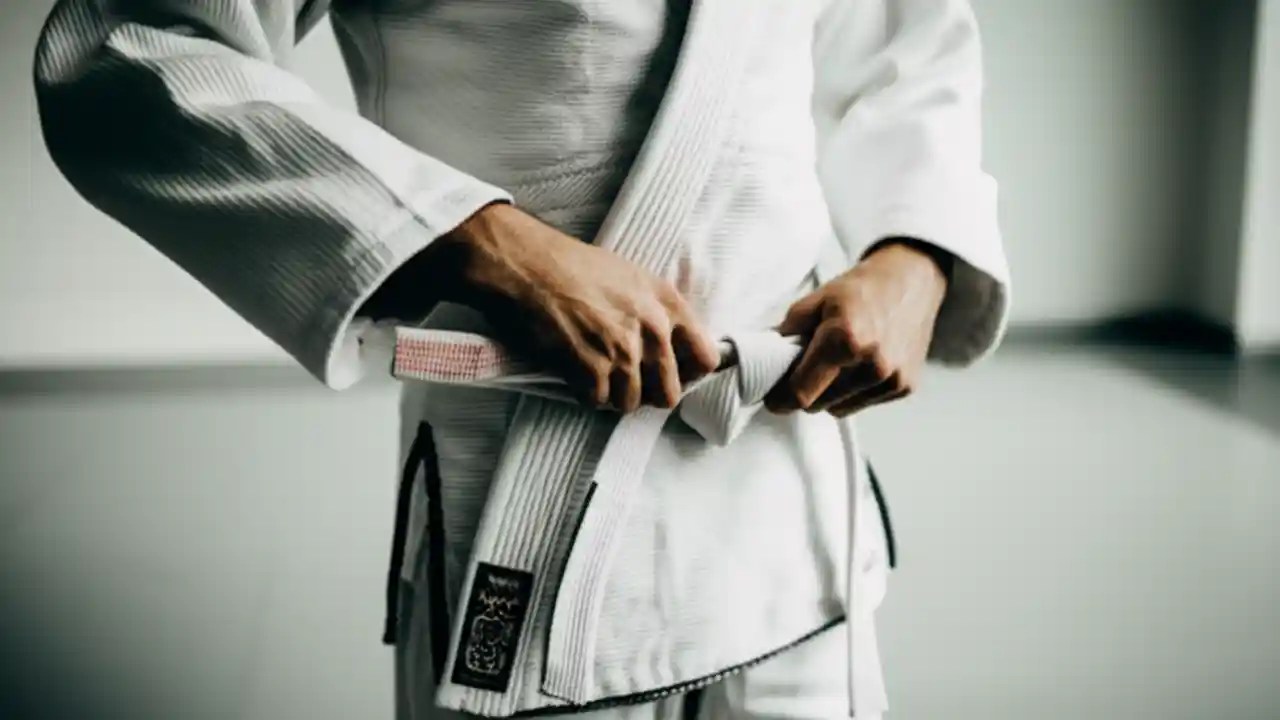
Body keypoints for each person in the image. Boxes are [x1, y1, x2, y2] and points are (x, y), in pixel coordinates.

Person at [34, 1, 1010, 718]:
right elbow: (127, 46)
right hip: (529, 486)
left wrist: (913, 254)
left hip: (791, 488)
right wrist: (482, 243)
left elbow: (904, 40)